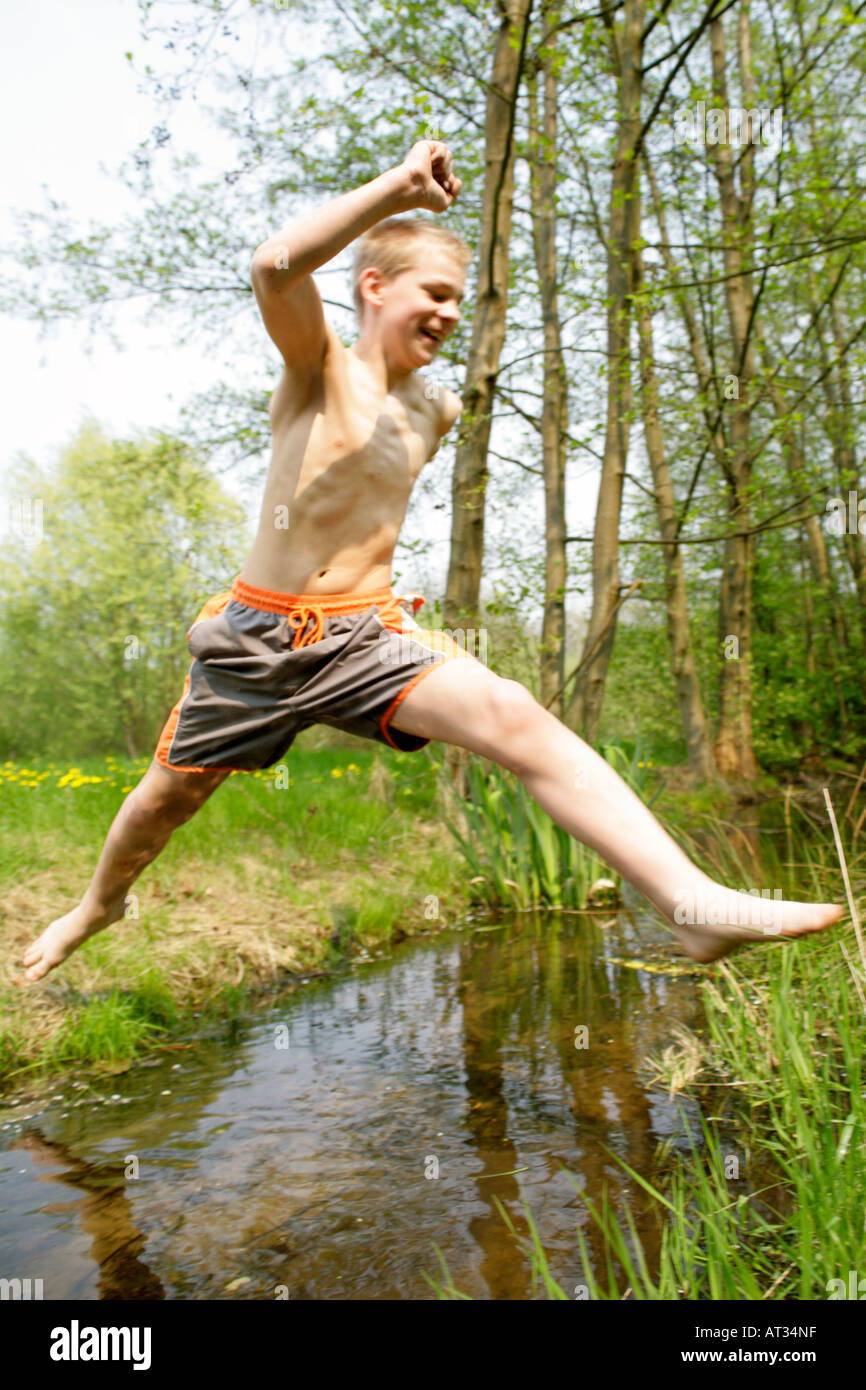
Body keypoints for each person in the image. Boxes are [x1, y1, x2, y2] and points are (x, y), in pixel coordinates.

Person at [19, 140, 843, 985]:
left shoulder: (435, 407)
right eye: (434, 295)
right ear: (375, 289)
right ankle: (97, 906)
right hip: (258, 639)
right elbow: (272, 265)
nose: (451, 315)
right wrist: (398, 191)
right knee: (165, 802)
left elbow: (367, 513)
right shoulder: (319, 369)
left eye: (459, 301)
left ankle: (691, 907)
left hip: (365, 636)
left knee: (516, 715)